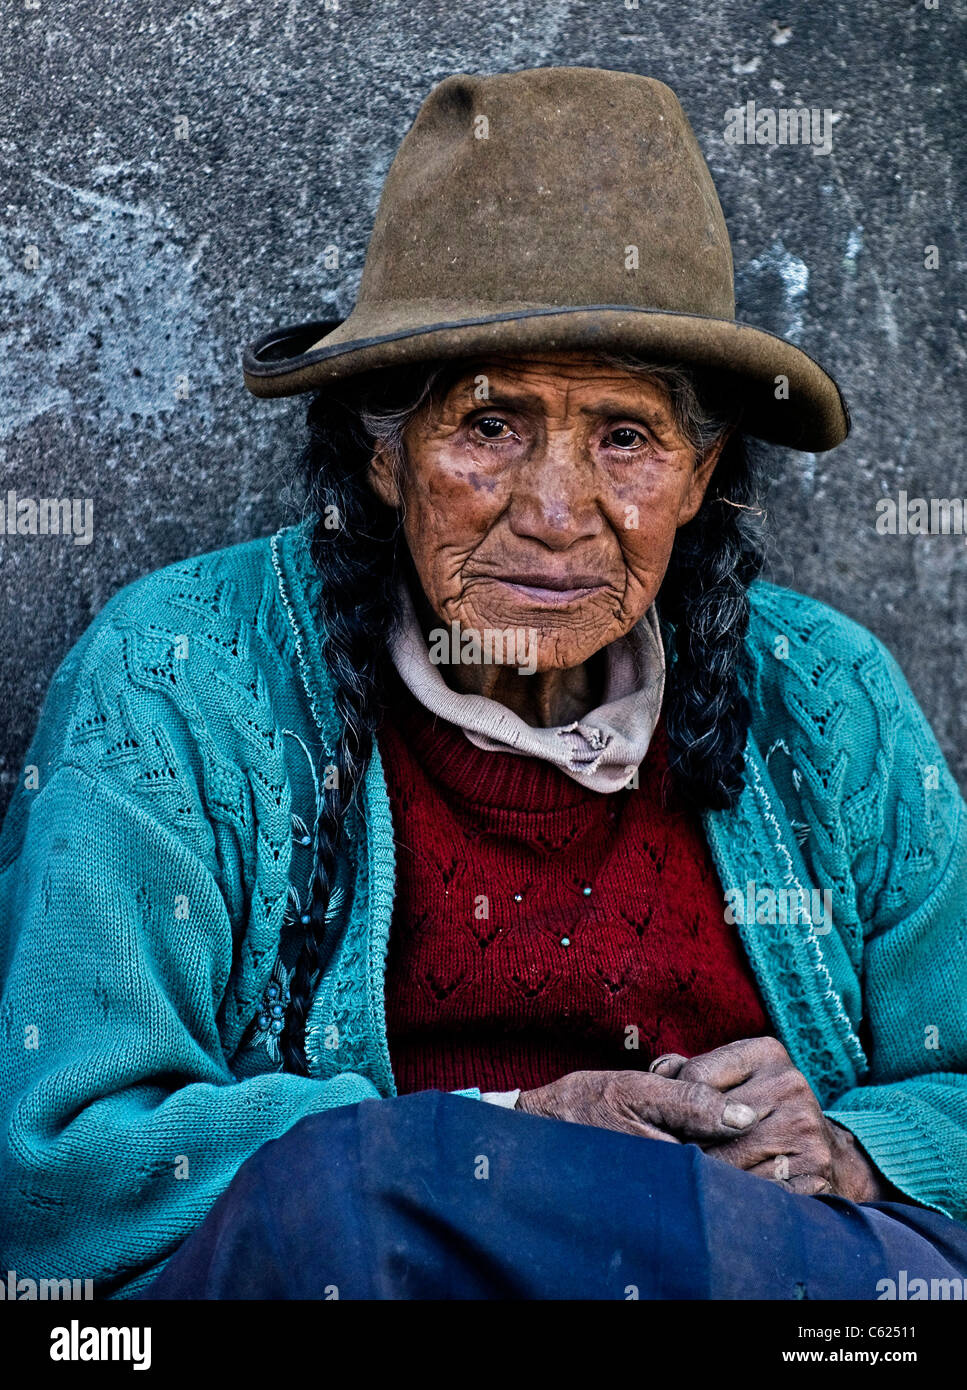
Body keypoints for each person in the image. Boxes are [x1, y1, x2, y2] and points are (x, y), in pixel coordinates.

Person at [2, 66, 966, 1301]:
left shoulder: (826, 695)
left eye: (625, 436)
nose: (556, 514)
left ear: (699, 473)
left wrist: (849, 1148)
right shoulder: (179, 674)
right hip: (379, 1277)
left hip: (741, 1277)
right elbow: (56, 1167)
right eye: (490, 425)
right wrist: (502, 1130)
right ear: (384, 452)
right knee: (336, 1206)